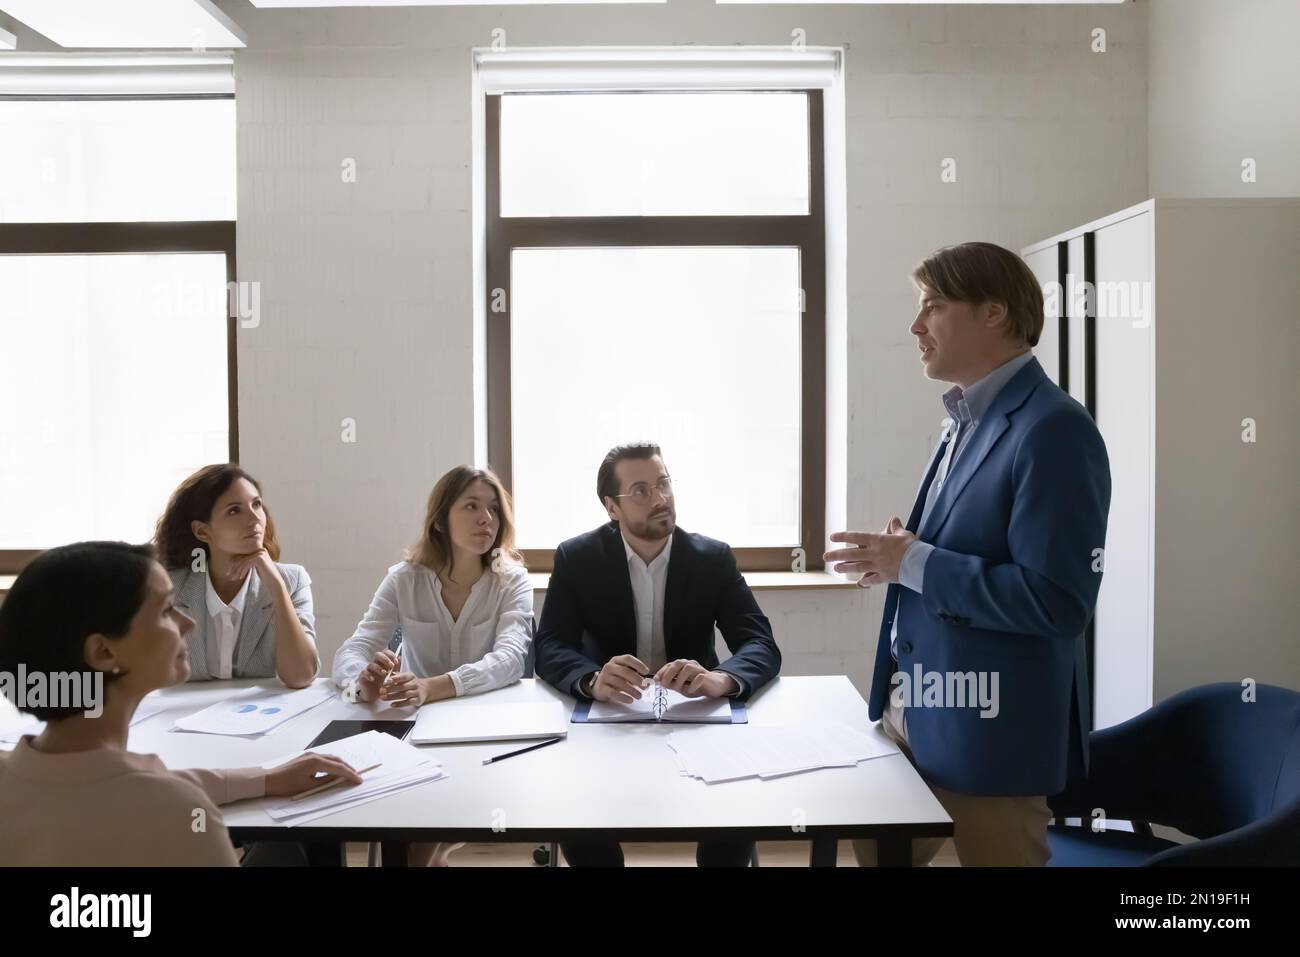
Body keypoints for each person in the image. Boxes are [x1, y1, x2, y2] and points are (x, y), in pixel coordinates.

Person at [824, 242, 1111, 866]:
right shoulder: (962, 418)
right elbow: (950, 555)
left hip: (990, 734)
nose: (914, 325)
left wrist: (915, 562)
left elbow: (1058, 602)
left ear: (995, 313)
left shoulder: (1055, 429)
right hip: (914, 711)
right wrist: (903, 557)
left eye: (933, 305)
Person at [0, 541, 359, 866]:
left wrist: (264, 780)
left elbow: (106, 785)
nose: (187, 623)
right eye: (167, 610)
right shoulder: (177, 814)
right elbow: (145, 793)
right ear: (103, 651)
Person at [534, 442, 781, 867]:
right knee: (580, 824)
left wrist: (720, 679)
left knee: (733, 822)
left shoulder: (712, 558)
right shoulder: (577, 558)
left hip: (697, 719)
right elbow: (550, 645)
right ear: (612, 507)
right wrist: (592, 679)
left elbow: (759, 643)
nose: (660, 498)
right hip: (607, 725)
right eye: (641, 491)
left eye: (664, 484)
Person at [332, 465, 532, 865]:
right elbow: (353, 650)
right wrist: (361, 683)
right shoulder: (404, 578)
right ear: (441, 519)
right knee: (411, 837)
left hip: (490, 731)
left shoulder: (511, 580)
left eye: (493, 508)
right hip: (416, 732)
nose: (486, 518)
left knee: (417, 843)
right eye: (471, 506)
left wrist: (433, 687)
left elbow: (510, 660)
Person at [153, 464, 318, 687]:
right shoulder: (170, 587)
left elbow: (300, 676)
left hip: (260, 718)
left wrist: (277, 589)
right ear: (203, 531)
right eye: (234, 510)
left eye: (256, 504)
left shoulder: (292, 580)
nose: (255, 519)